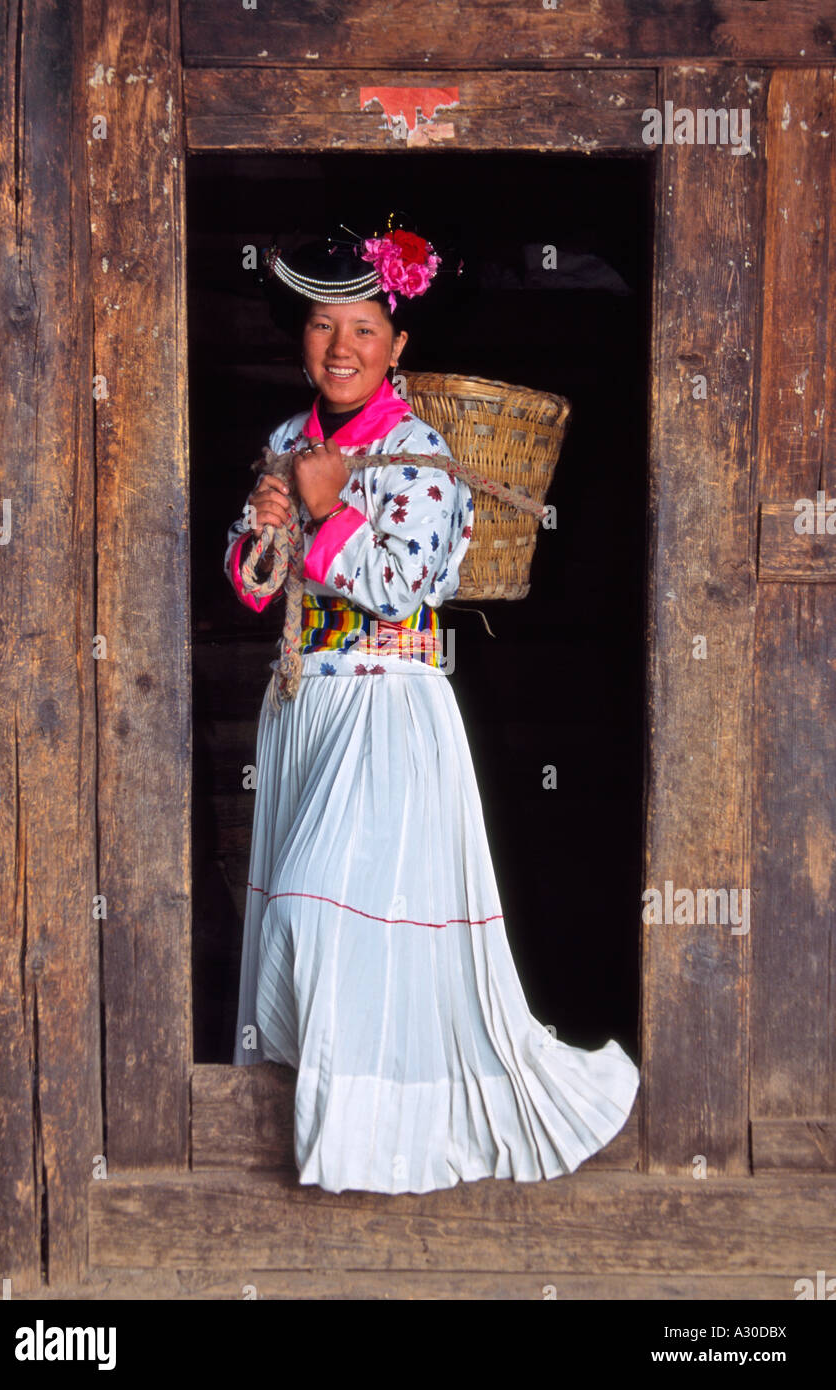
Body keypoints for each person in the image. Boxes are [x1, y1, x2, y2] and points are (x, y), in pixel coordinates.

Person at [223, 222, 639, 1194]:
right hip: (303, 712)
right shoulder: (287, 439)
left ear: (396, 345)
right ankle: (328, 1137)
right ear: (303, 338)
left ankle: (379, 1141)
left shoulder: (421, 455)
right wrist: (266, 528)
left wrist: (327, 511)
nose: (340, 349)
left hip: (389, 713)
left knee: (336, 926)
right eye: (324, 327)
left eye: (362, 329)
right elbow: (250, 588)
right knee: (301, 924)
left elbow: (404, 584)